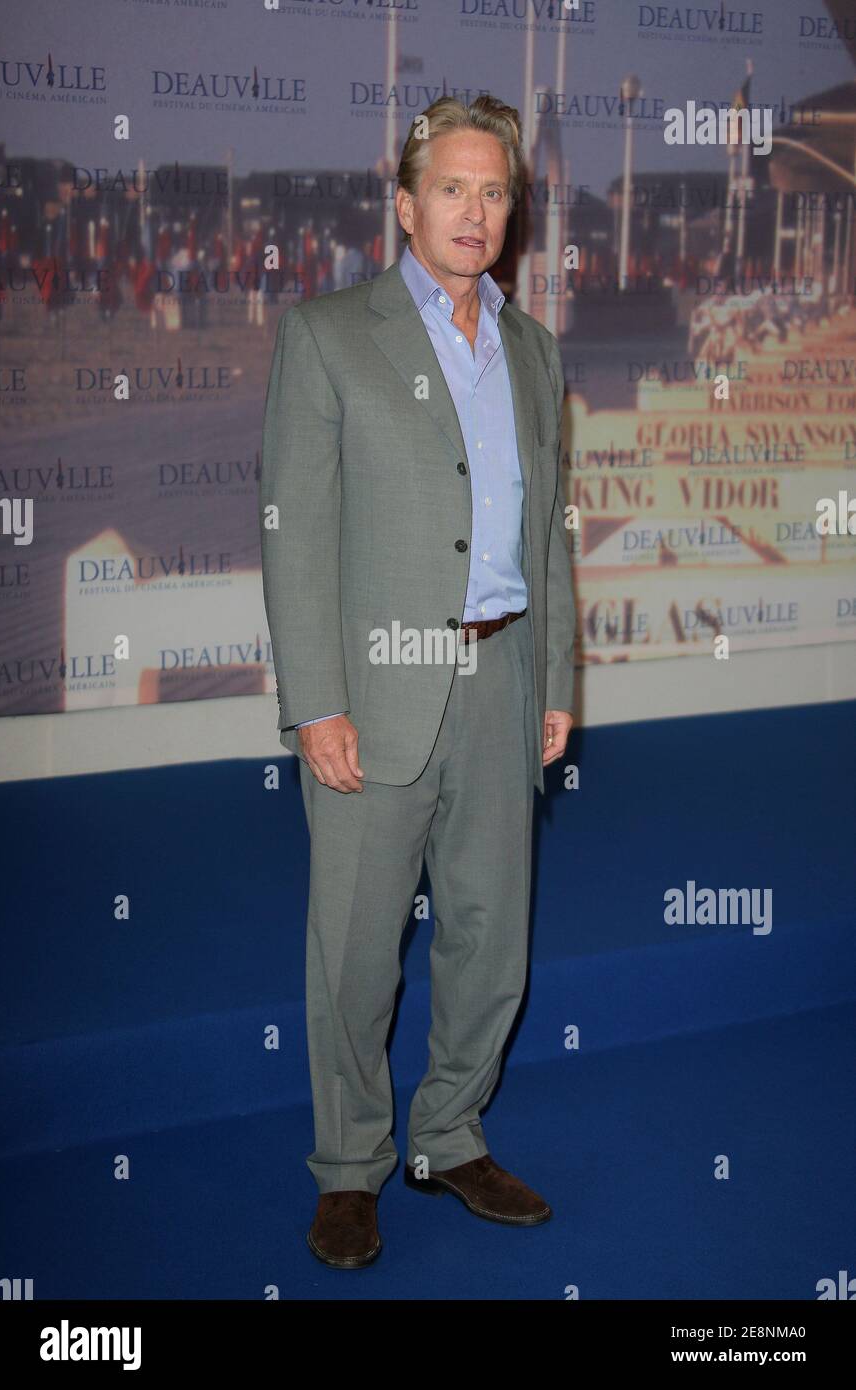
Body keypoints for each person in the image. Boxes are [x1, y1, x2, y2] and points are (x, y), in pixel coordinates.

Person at [259, 94, 576, 1269]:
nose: (474, 210)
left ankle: (448, 1136)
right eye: (451, 187)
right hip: (377, 693)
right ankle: (350, 1166)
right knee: (351, 949)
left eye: (494, 191)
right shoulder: (329, 333)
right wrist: (314, 699)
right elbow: (293, 533)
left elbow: (544, 535)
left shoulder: (535, 351)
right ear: (404, 204)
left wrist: (554, 679)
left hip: (500, 683)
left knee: (491, 938)